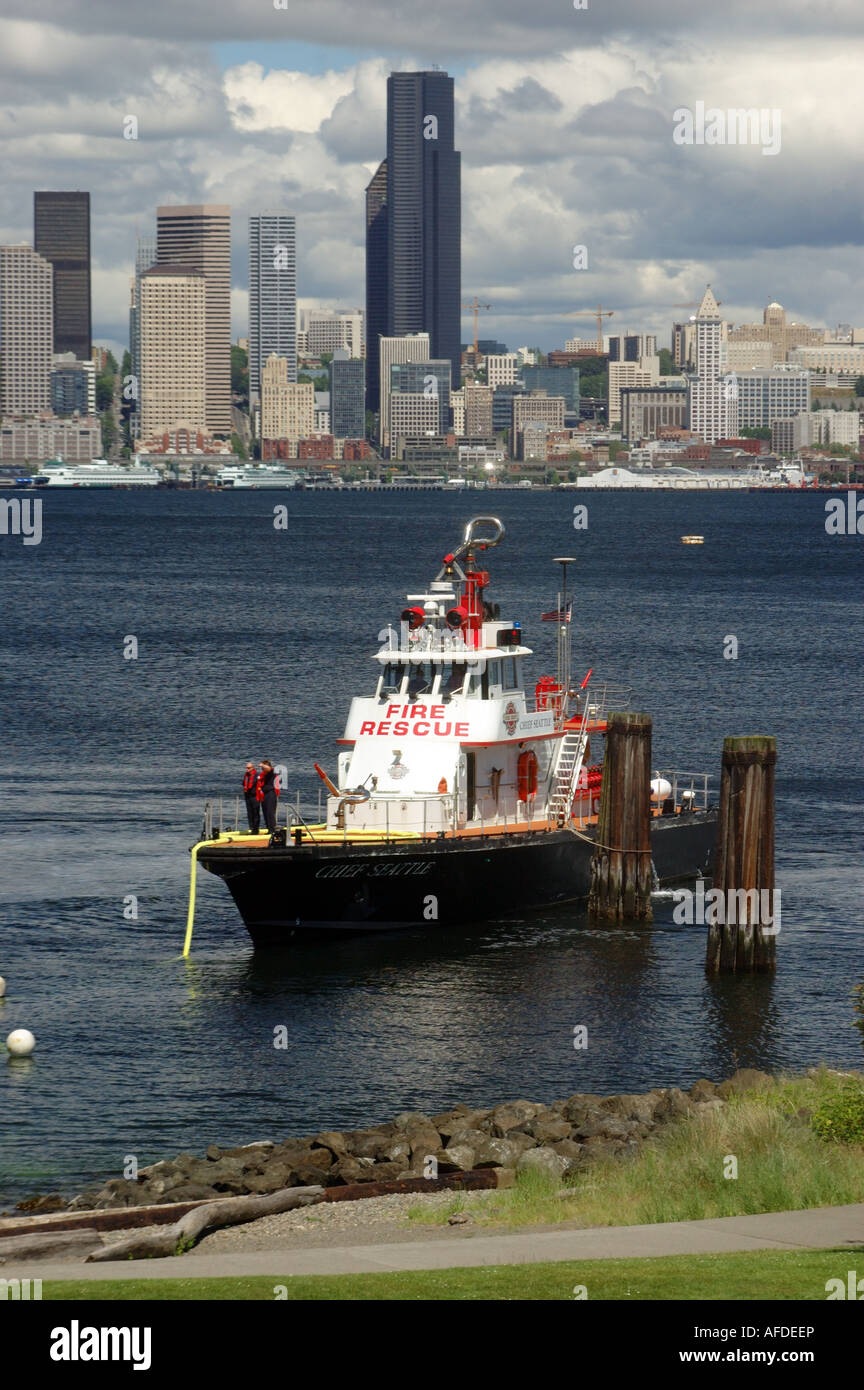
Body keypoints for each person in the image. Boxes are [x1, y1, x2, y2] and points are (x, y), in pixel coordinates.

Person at [256, 759, 280, 835]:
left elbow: (268, 768)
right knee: (265, 812)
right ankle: (268, 828)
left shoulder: (272, 773)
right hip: (264, 794)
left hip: (271, 794)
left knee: (270, 812)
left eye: (263, 768)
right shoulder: (264, 775)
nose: (262, 769)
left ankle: (272, 829)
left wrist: (262, 765)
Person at [243, 761, 260, 833]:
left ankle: (256, 828)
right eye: (246, 768)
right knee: (249, 813)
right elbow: (243, 783)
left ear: (252, 768)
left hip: (255, 796)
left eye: (248, 768)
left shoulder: (256, 775)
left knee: (255, 812)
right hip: (248, 796)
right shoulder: (246, 776)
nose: (247, 769)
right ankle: (251, 827)